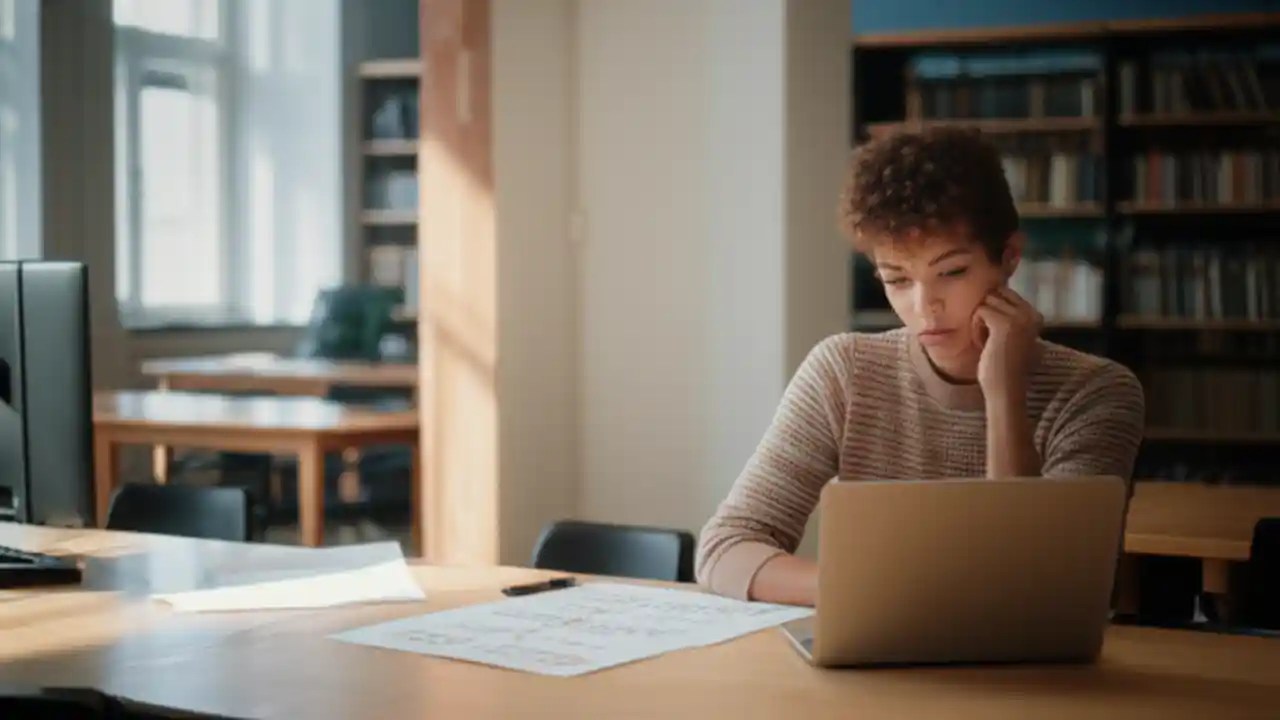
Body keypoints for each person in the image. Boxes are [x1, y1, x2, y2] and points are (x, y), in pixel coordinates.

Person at [695, 128, 1145, 606]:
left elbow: (1037, 589)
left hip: (1031, 677)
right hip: (873, 655)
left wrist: (1004, 394)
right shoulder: (843, 370)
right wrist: (875, 593)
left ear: (1008, 257)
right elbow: (726, 548)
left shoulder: (1099, 393)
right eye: (897, 279)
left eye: (951, 273)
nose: (925, 307)